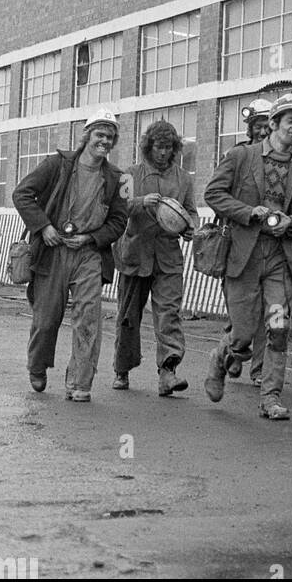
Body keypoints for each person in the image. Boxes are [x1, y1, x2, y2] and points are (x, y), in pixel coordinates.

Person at [203, 94, 292, 420]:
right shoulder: (242, 156)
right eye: (290, 121)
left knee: (278, 326)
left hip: (280, 258)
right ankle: (219, 359)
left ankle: (270, 398)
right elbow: (213, 193)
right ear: (273, 125)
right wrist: (247, 212)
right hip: (245, 255)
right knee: (242, 334)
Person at [13, 109, 129, 401]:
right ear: (87, 136)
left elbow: (119, 220)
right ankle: (38, 365)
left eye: (110, 137)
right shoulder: (58, 164)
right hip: (53, 251)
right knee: (47, 317)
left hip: (89, 254)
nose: (105, 141)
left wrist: (91, 237)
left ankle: (80, 382)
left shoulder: (117, 178)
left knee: (88, 317)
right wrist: (44, 227)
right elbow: (22, 194)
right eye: (100, 135)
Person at [111, 119, 199, 396]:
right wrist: (140, 202)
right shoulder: (129, 174)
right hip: (135, 255)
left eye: (168, 147)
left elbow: (191, 211)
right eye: (158, 147)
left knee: (169, 315)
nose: (163, 152)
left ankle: (168, 372)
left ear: (175, 149)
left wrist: (189, 228)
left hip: (168, 257)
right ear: (148, 147)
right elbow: (119, 207)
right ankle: (121, 369)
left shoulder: (184, 178)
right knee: (128, 316)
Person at [227, 97, 273, 385]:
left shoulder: (288, 160)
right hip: (241, 244)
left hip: (272, 246)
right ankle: (232, 354)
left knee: (270, 315)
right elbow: (219, 195)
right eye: (258, 126)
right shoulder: (239, 155)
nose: (263, 131)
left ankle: (259, 371)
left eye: (268, 125)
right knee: (241, 312)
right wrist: (245, 212)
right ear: (250, 129)